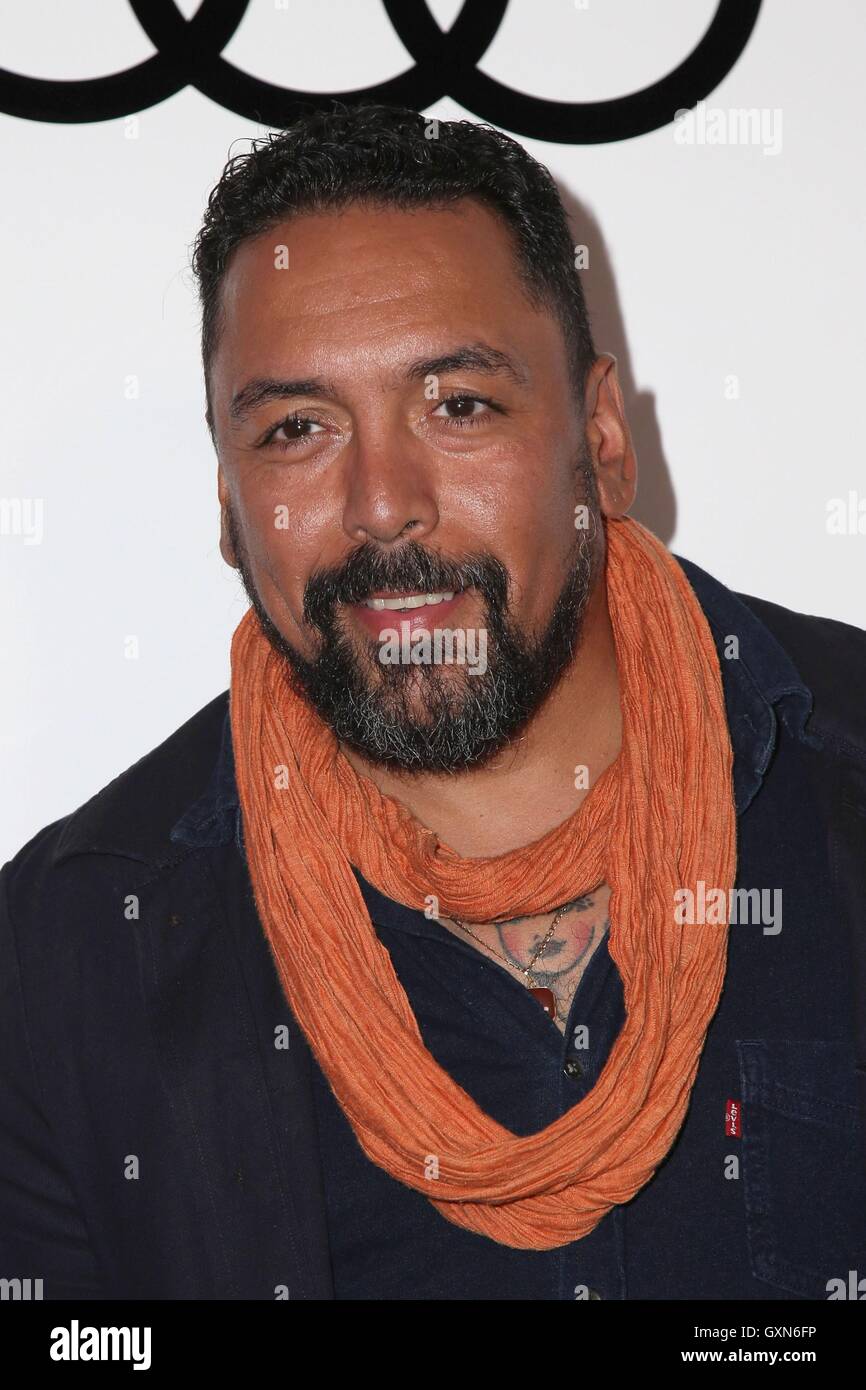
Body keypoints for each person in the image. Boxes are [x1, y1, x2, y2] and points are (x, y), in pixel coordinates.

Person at [2, 103, 865, 1302]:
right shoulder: (68, 956)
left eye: (458, 404)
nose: (381, 505)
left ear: (601, 436)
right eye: (297, 428)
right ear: (224, 496)